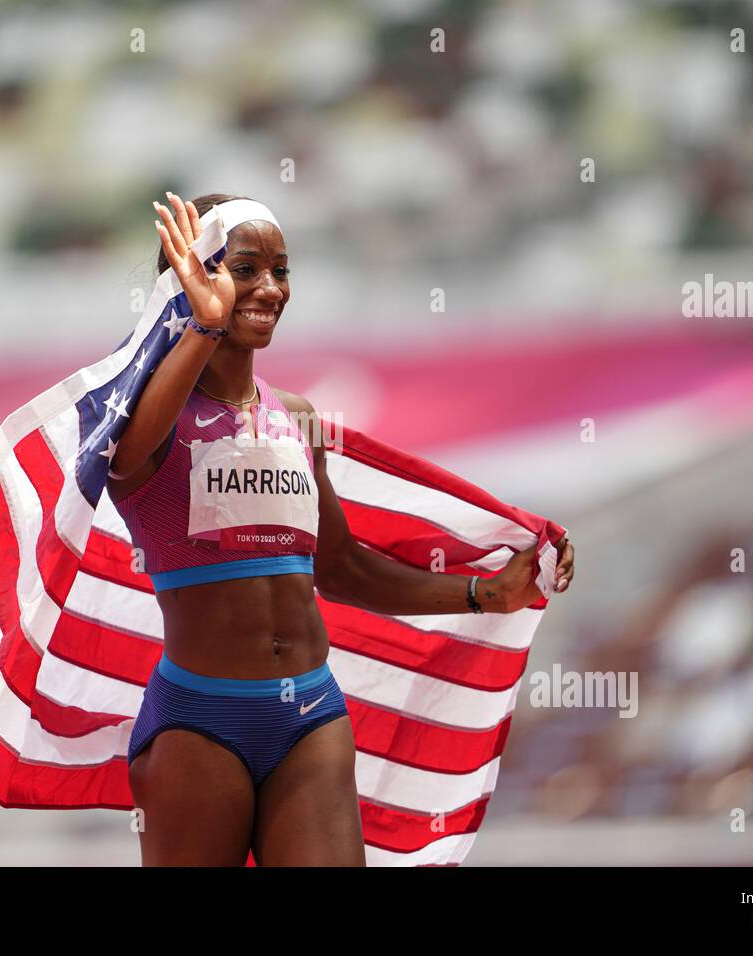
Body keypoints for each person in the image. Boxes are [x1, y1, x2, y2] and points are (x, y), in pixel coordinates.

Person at [107, 192, 575, 866]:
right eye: (245, 269)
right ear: (191, 276)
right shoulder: (143, 421)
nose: (270, 288)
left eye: (281, 270)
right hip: (198, 719)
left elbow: (343, 569)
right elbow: (122, 464)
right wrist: (200, 328)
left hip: (309, 717)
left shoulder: (296, 420)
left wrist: (484, 594)